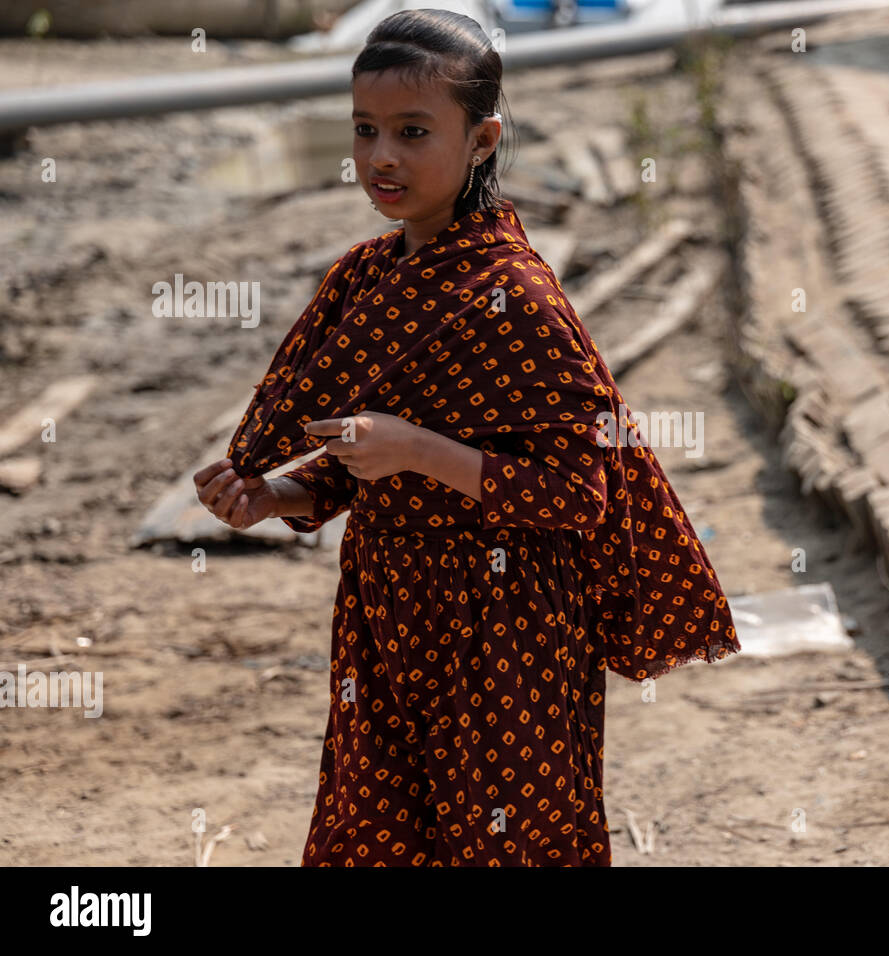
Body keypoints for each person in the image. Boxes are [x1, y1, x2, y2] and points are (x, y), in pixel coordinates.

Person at [192, 8, 739, 866]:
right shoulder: (366, 277)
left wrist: (415, 448)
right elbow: (352, 459)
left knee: (508, 838)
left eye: (414, 132)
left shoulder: (515, 297)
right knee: (377, 830)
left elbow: (576, 496)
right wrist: (273, 495)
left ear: (482, 141)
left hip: (508, 625)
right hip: (385, 613)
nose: (382, 158)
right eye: (366, 130)